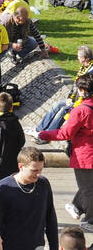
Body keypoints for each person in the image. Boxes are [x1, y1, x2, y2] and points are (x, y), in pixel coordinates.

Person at [0, 146, 58, 250]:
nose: (38, 174)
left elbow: (50, 218)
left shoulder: (43, 184)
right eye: (34, 170)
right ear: (21, 166)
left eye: (40, 170)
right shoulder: (3, 188)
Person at [38, 73, 93, 230]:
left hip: (85, 155)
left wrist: (44, 134)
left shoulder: (81, 110)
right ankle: (77, 207)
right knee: (89, 186)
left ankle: (90, 220)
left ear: (82, 90)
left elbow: (66, 133)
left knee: (87, 188)